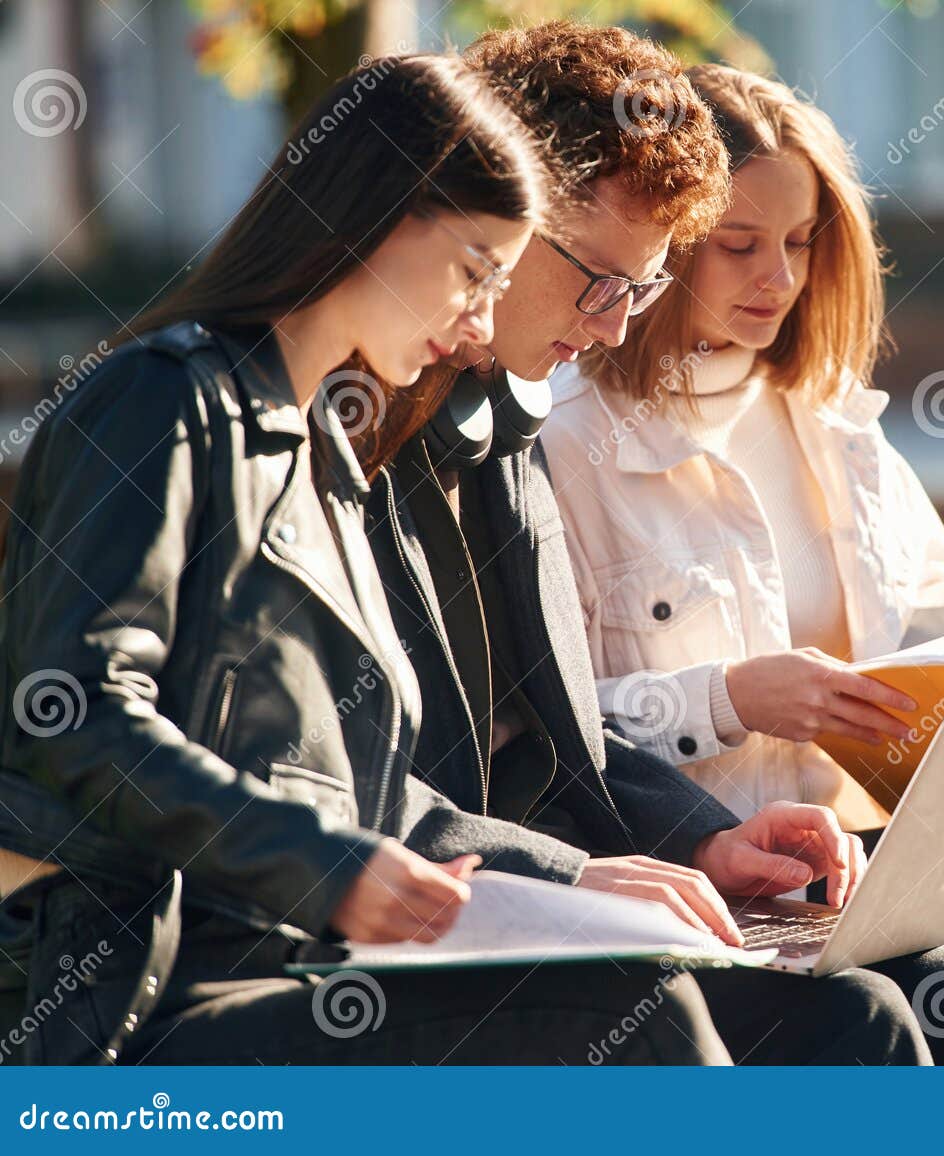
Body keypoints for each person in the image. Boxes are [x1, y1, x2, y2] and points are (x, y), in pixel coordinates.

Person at [0, 54, 818, 1068]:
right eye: (476, 271)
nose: (479, 323)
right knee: (638, 1015)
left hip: (300, 963)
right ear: (377, 220)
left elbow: (362, 782)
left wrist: (560, 882)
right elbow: (70, 712)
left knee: (686, 1003)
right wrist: (327, 864)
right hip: (138, 1001)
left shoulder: (331, 452)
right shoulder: (159, 403)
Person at [354, 22, 944, 1064]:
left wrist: (698, 842)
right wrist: (624, 840)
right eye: (734, 246)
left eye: (801, 243)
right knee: (861, 1018)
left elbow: (546, 732)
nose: (616, 325)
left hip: (669, 863)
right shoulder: (509, 433)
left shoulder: (505, 427)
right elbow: (369, 773)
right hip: (431, 927)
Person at [541, 63, 944, 1065]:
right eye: (737, 245)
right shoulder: (571, 444)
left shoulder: (831, 417)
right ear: (666, 242)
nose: (776, 277)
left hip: (863, 852)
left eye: (798, 242)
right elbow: (547, 725)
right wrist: (730, 696)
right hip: (715, 859)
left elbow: (902, 616)